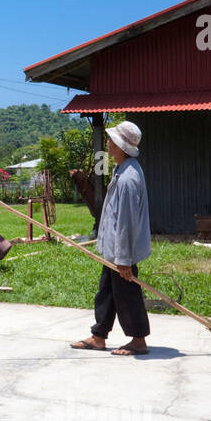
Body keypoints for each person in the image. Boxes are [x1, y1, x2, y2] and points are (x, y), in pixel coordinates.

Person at [70, 121, 151, 356]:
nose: (107, 143)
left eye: (111, 140)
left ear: (120, 145)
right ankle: (99, 335)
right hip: (114, 249)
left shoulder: (128, 179)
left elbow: (126, 223)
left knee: (127, 294)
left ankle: (138, 339)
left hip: (121, 252)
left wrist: (123, 260)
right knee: (106, 291)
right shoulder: (123, 170)